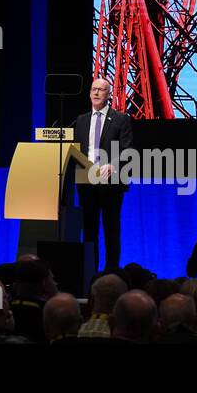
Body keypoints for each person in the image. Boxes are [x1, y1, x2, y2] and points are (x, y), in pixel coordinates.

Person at [73, 77, 134, 271]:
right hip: (86, 182)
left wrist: (113, 165)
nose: (96, 93)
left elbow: (127, 150)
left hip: (111, 182)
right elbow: (74, 150)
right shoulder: (81, 120)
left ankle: (111, 272)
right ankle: (90, 271)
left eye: (101, 90)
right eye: (94, 89)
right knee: (89, 230)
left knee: (111, 229)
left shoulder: (121, 119)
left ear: (109, 95)